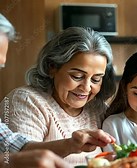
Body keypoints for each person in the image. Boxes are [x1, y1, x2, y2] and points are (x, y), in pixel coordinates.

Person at [0, 25, 117, 166]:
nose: (86, 88)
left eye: (96, 79)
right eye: (77, 76)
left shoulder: (99, 109)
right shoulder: (26, 100)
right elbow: (21, 158)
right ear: (52, 67)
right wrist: (69, 145)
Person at [0, 13, 72, 168]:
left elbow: (9, 143)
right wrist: (11, 162)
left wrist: (71, 144)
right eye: (77, 76)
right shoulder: (24, 99)